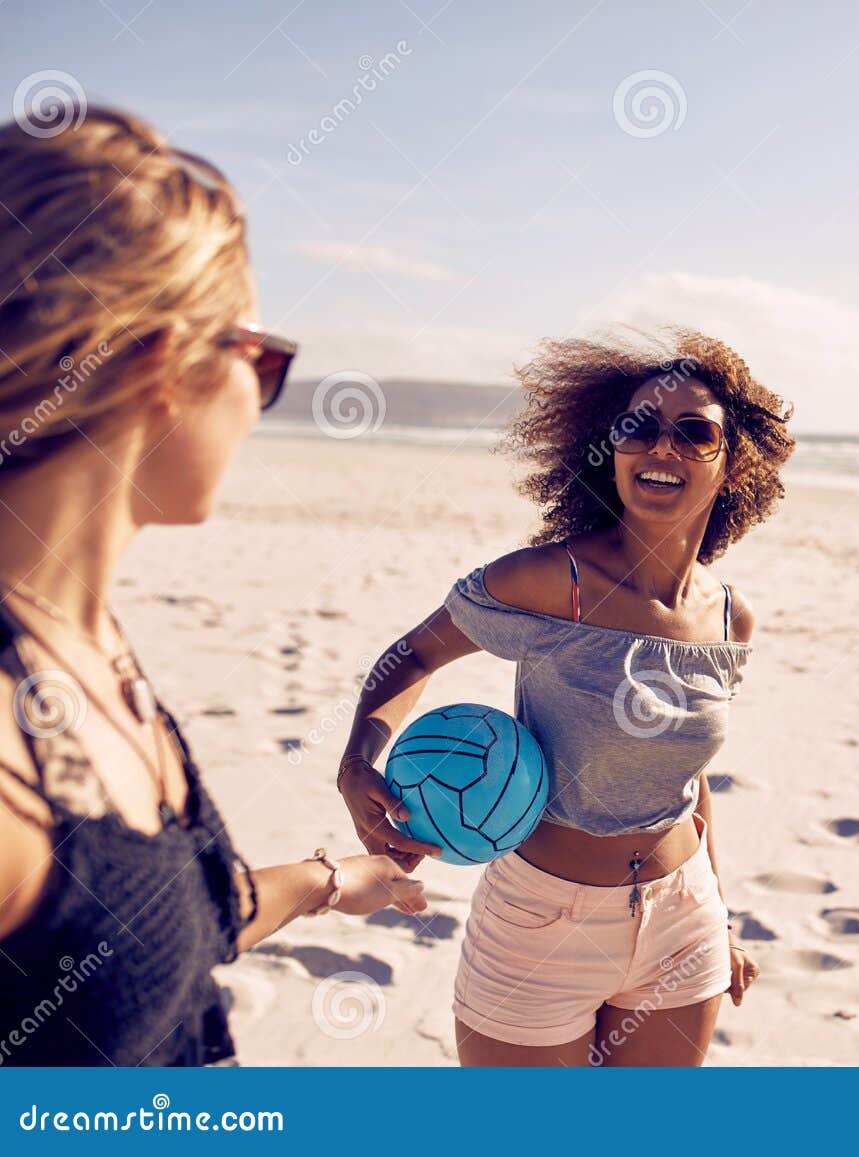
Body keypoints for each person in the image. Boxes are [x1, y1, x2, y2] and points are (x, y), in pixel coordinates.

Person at [0, 107, 426, 1067]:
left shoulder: (78, 638)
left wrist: (328, 882)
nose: (260, 400)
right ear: (167, 365)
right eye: (263, 361)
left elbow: (134, 934)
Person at [337, 332, 794, 1066]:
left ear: (734, 461)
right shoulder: (554, 583)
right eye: (638, 427)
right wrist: (356, 759)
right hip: (541, 919)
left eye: (694, 432)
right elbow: (414, 652)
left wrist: (721, 915)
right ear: (609, 448)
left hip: (684, 920)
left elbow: (682, 775)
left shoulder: (728, 616)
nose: (660, 447)